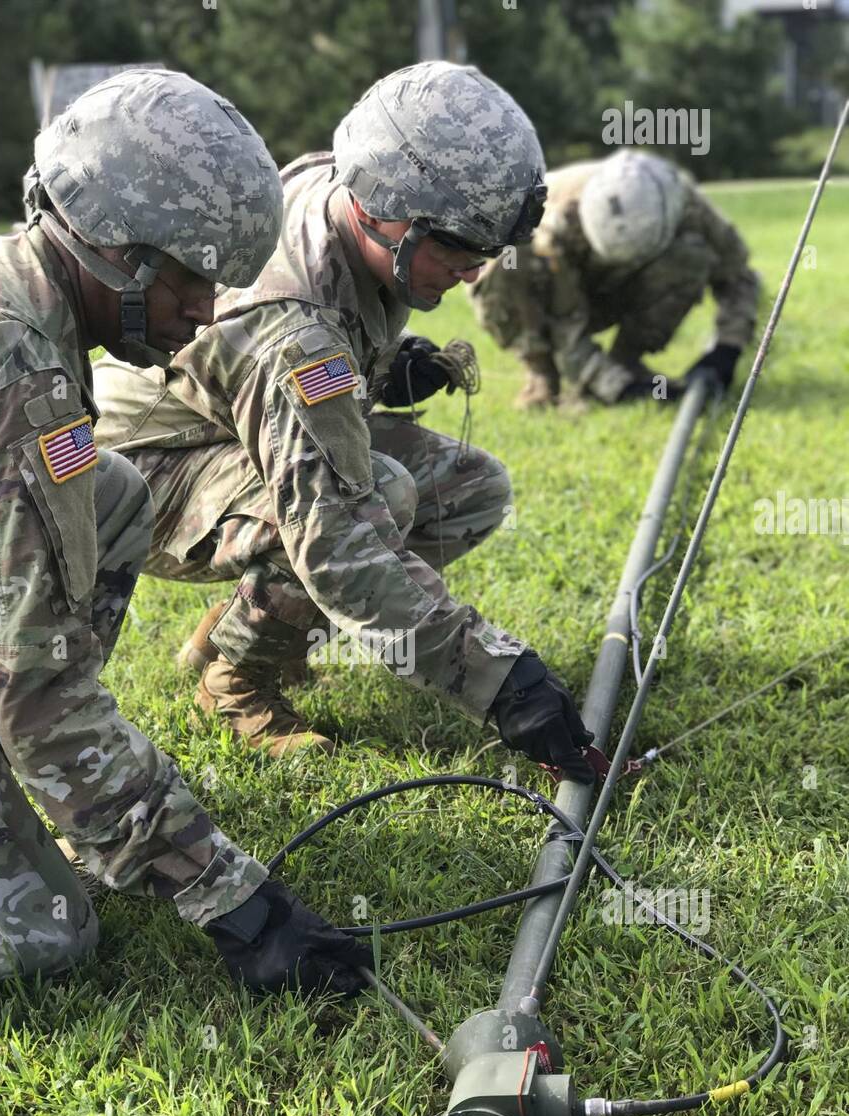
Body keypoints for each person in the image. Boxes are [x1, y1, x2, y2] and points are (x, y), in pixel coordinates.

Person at [0, 68, 372, 998]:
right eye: (191, 279)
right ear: (115, 253)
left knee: (108, 497)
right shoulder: (3, 372)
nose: (207, 311)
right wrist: (236, 903)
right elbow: (41, 684)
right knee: (33, 939)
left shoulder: (10, 289)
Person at [93, 61, 595, 781]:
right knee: (372, 499)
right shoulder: (293, 335)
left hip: (226, 421)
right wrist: (501, 685)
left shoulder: (346, 183)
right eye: (455, 246)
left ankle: (241, 632)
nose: (472, 272)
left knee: (468, 486)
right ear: (383, 210)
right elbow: (333, 535)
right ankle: (235, 687)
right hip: (139, 469)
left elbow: (317, 348)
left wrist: (390, 367)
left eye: (483, 251)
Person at [468, 150, 761, 409]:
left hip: (620, 290)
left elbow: (738, 276)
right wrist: (615, 386)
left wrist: (727, 349)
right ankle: (541, 372)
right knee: (509, 260)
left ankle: (626, 361)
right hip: (554, 291)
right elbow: (564, 322)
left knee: (689, 257)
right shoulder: (548, 216)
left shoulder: (691, 208)